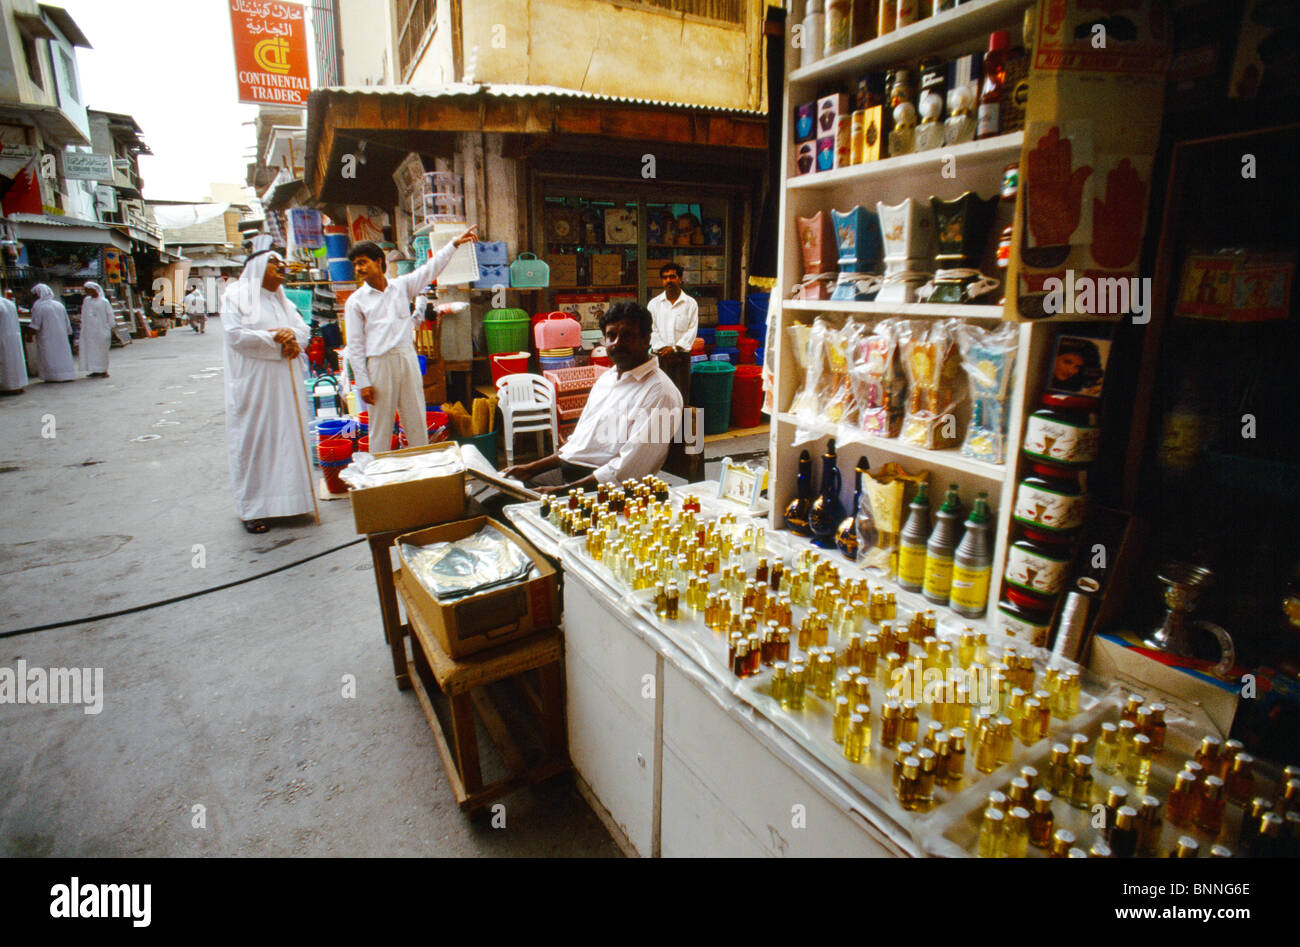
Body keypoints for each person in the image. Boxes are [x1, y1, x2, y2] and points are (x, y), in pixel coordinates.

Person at [503, 300, 683, 493]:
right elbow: (578, 445)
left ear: (646, 340)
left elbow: (629, 469)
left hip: (605, 489)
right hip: (570, 473)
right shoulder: (607, 379)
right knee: (498, 495)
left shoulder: (660, 393)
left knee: (500, 509)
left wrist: (563, 491)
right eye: (611, 336)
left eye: (627, 336)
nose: (617, 343)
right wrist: (529, 469)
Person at [344, 227, 477, 455]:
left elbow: (430, 269)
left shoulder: (401, 286)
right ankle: (380, 480)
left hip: (407, 357)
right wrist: (362, 381)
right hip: (379, 363)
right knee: (381, 425)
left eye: (363, 262)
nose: (359, 268)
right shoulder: (355, 302)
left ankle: (420, 472)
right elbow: (355, 346)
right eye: (356, 264)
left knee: (415, 417)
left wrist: (453, 244)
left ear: (378, 262)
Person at [219, 236, 314, 534]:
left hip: (286, 385)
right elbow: (235, 336)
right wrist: (276, 339)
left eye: (282, 262)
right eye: (275, 263)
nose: (282, 267)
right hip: (255, 386)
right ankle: (254, 509)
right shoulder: (237, 295)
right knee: (256, 441)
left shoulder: (280, 299)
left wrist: (289, 337)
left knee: (287, 438)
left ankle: (292, 504)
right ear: (258, 267)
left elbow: (303, 331)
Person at [647, 262, 698, 401]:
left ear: (680, 279)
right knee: (662, 397)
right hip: (661, 357)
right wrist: (664, 349)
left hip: (681, 356)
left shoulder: (690, 303)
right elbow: (652, 330)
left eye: (672, 277)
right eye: (664, 277)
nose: (668, 280)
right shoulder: (654, 304)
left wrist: (675, 349)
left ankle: (684, 423)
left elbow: (692, 330)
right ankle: (666, 423)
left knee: (683, 395)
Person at [27, 284, 75, 383]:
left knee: (49, 355)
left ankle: (52, 376)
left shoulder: (38, 306)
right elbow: (67, 322)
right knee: (62, 355)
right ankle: (66, 375)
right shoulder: (59, 304)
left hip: (47, 336)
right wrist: (68, 333)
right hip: (61, 336)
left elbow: (35, 323)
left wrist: (29, 335)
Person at [78, 281, 114, 378]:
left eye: (88, 290)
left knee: (102, 351)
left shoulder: (104, 301)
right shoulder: (86, 300)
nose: (86, 292)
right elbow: (84, 314)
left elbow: (110, 315)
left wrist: (109, 327)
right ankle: (95, 370)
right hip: (90, 331)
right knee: (92, 351)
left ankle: (103, 370)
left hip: (101, 330)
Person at [0, 291, 26, 394]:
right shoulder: (9, 303)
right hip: (13, 337)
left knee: (6, 364)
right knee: (15, 362)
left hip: (3, 338)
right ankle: (18, 385)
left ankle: (8, 387)